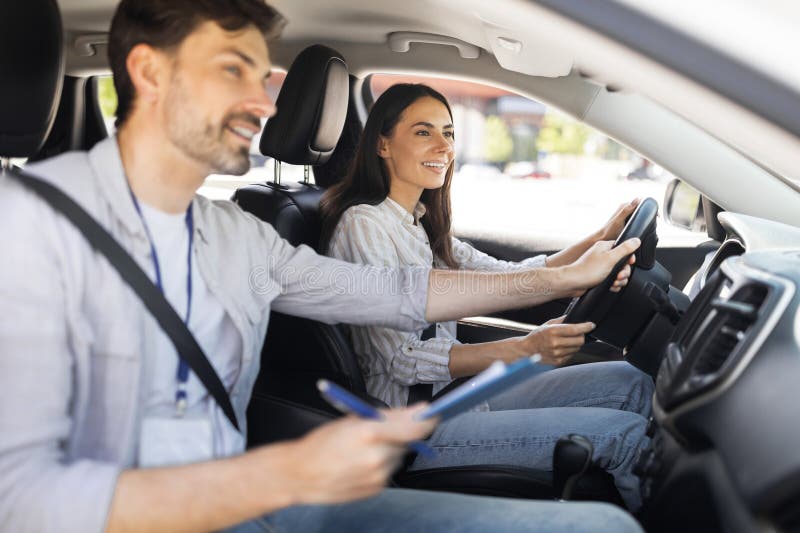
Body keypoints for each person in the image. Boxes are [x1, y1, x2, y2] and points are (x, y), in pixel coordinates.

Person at [0, 1, 644, 532]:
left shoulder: (240, 234)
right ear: (149, 74)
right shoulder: (31, 237)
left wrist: (555, 278)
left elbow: (387, 292)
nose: (262, 104)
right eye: (235, 72)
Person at [320, 83, 652, 509]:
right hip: (415, 424)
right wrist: (523, 349)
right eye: (424, 132)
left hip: (456, 395)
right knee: (625, 437)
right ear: (383, 144)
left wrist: (601, 239)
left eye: (449, 133)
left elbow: (508, 275)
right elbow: (398, 358)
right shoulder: (363, 224)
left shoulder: (417, 221)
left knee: (632, 382)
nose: (444, 146)